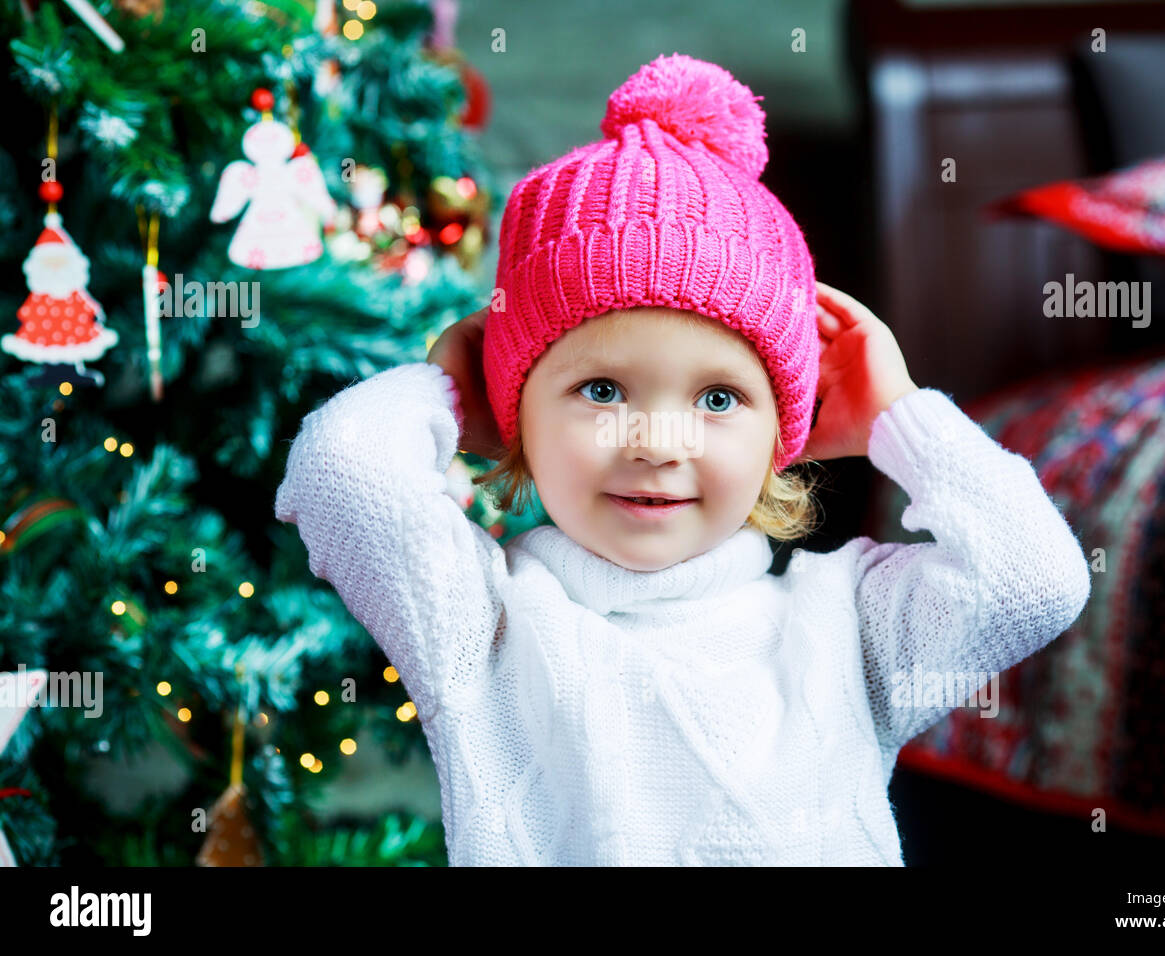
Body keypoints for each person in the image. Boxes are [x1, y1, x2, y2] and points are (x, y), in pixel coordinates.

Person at [275, 54, 1090, 865]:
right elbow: (343, 472)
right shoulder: (478, 628)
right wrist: (450, 388)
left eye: (719, 400)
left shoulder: (847, 627)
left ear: (783, 434)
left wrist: (899, 417)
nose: (657, 444)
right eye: (600, 389)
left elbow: (1033, 580)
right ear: (514, 412)